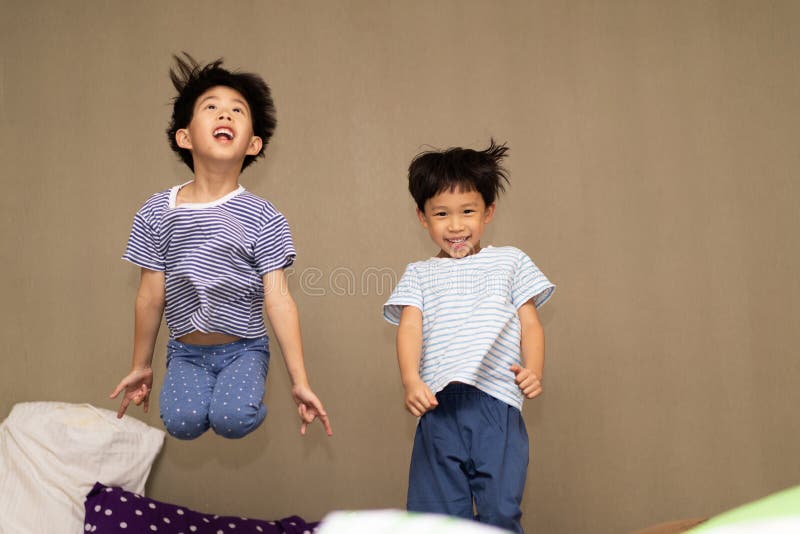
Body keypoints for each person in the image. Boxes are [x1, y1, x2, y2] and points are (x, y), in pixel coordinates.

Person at [110, 53, 332, 439]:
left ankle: (244, 399)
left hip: (244, 348)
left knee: (232, 419)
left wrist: (300, 380)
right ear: (185, 136)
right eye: (211, 108)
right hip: (185, 352)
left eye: (237, 111)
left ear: (253, 143)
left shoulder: (263, 217)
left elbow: (278, 299)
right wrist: (141, 364)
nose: (224, 115)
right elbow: (149, 296)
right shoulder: (156, 212)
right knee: (181, 423)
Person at [383, 140, 555, 533]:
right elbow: (410, 326)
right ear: (422, 218)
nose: (456, 226)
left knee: (500, 509)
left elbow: (530, 323)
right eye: (441, 214)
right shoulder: (420, 273)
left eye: (468, 212)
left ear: (488, 212)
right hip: (438, 405)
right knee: (436, 516)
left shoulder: (509, 262)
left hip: (495, 401)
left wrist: (534, 370)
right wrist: (411, 380)